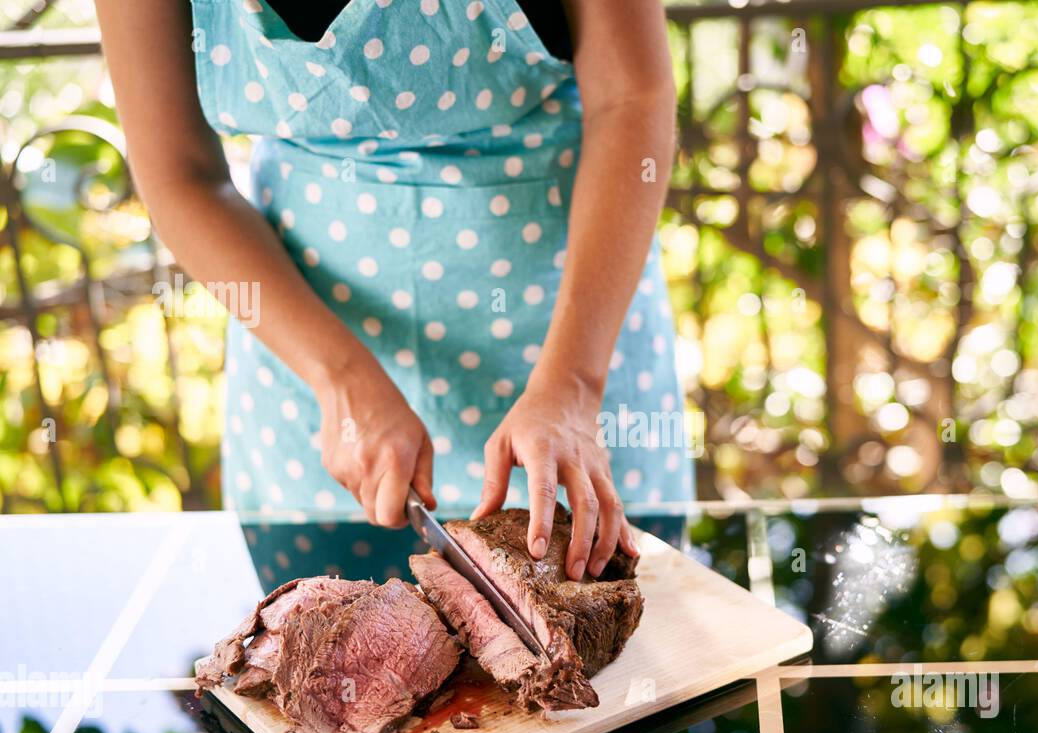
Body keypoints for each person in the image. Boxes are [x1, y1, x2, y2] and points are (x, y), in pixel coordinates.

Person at [94, 0, 693, 581]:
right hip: (311, 384)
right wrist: (340, 379)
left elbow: (630, 98)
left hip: (575, 353)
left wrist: (572, 384)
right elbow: (181, 177)